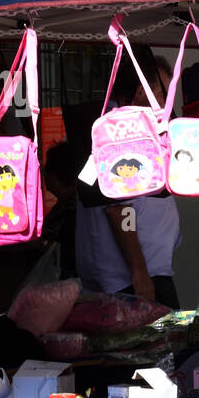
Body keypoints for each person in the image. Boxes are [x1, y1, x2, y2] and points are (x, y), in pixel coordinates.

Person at [75, 46, 182, 308]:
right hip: (134, 280)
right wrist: (139, 271)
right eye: (163, 94)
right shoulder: (120, 130)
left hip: (145, 272)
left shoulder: (126, 127)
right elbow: (118, 210)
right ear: (141, 91)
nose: (167, 104)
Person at [42, 140, 79, 279]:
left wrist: (39, 243)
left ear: (54, 177)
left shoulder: (72, 208)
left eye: (45, 172)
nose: (44, 177)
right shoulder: (71, 203)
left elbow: (57, 247)